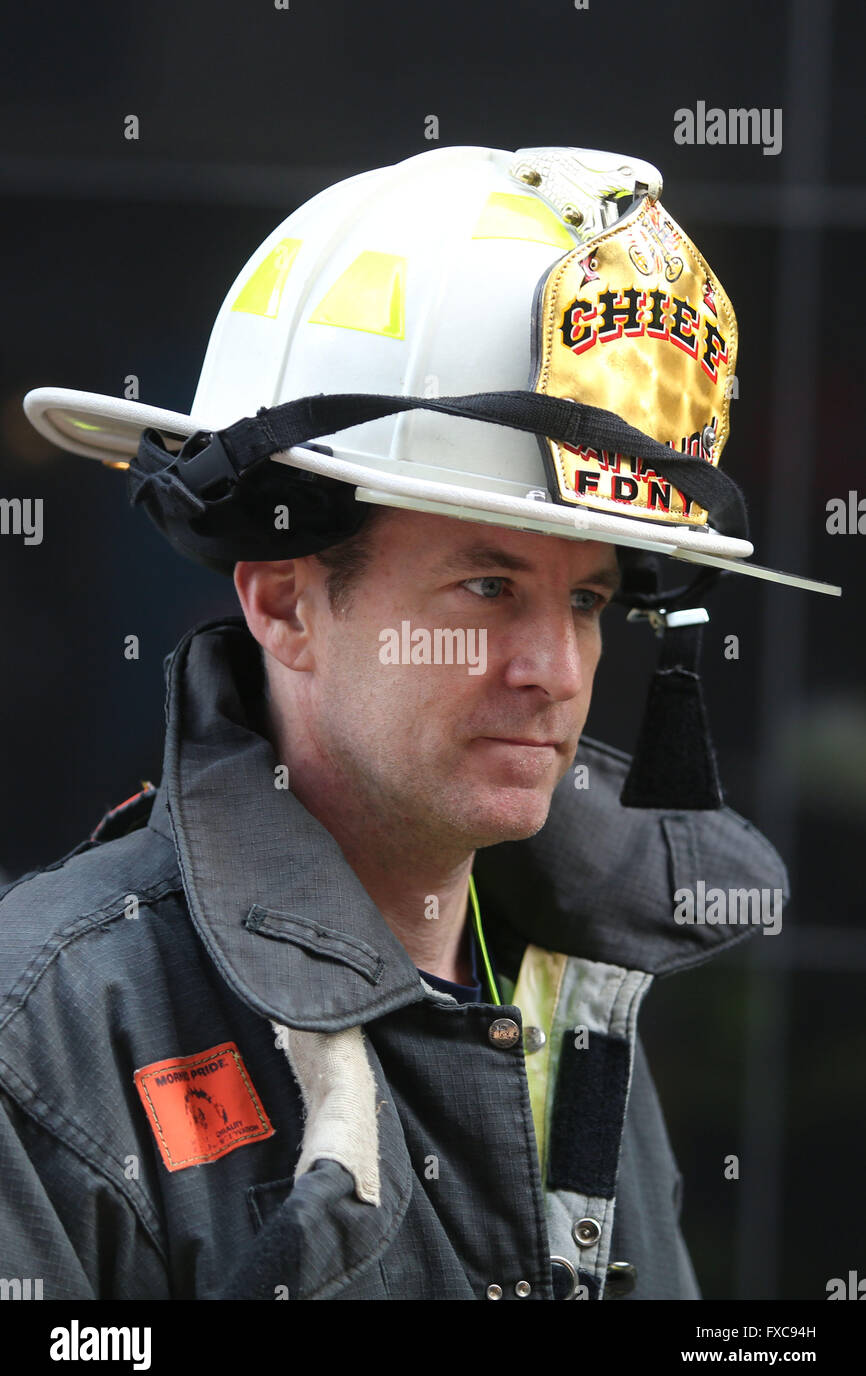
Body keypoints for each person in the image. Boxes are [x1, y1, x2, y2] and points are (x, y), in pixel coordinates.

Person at [0, 144, 838, 1301]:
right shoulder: (50, 1034)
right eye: (486, 587)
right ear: (286, 601)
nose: (553, 669)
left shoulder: (577, 986)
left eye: (588, 598)